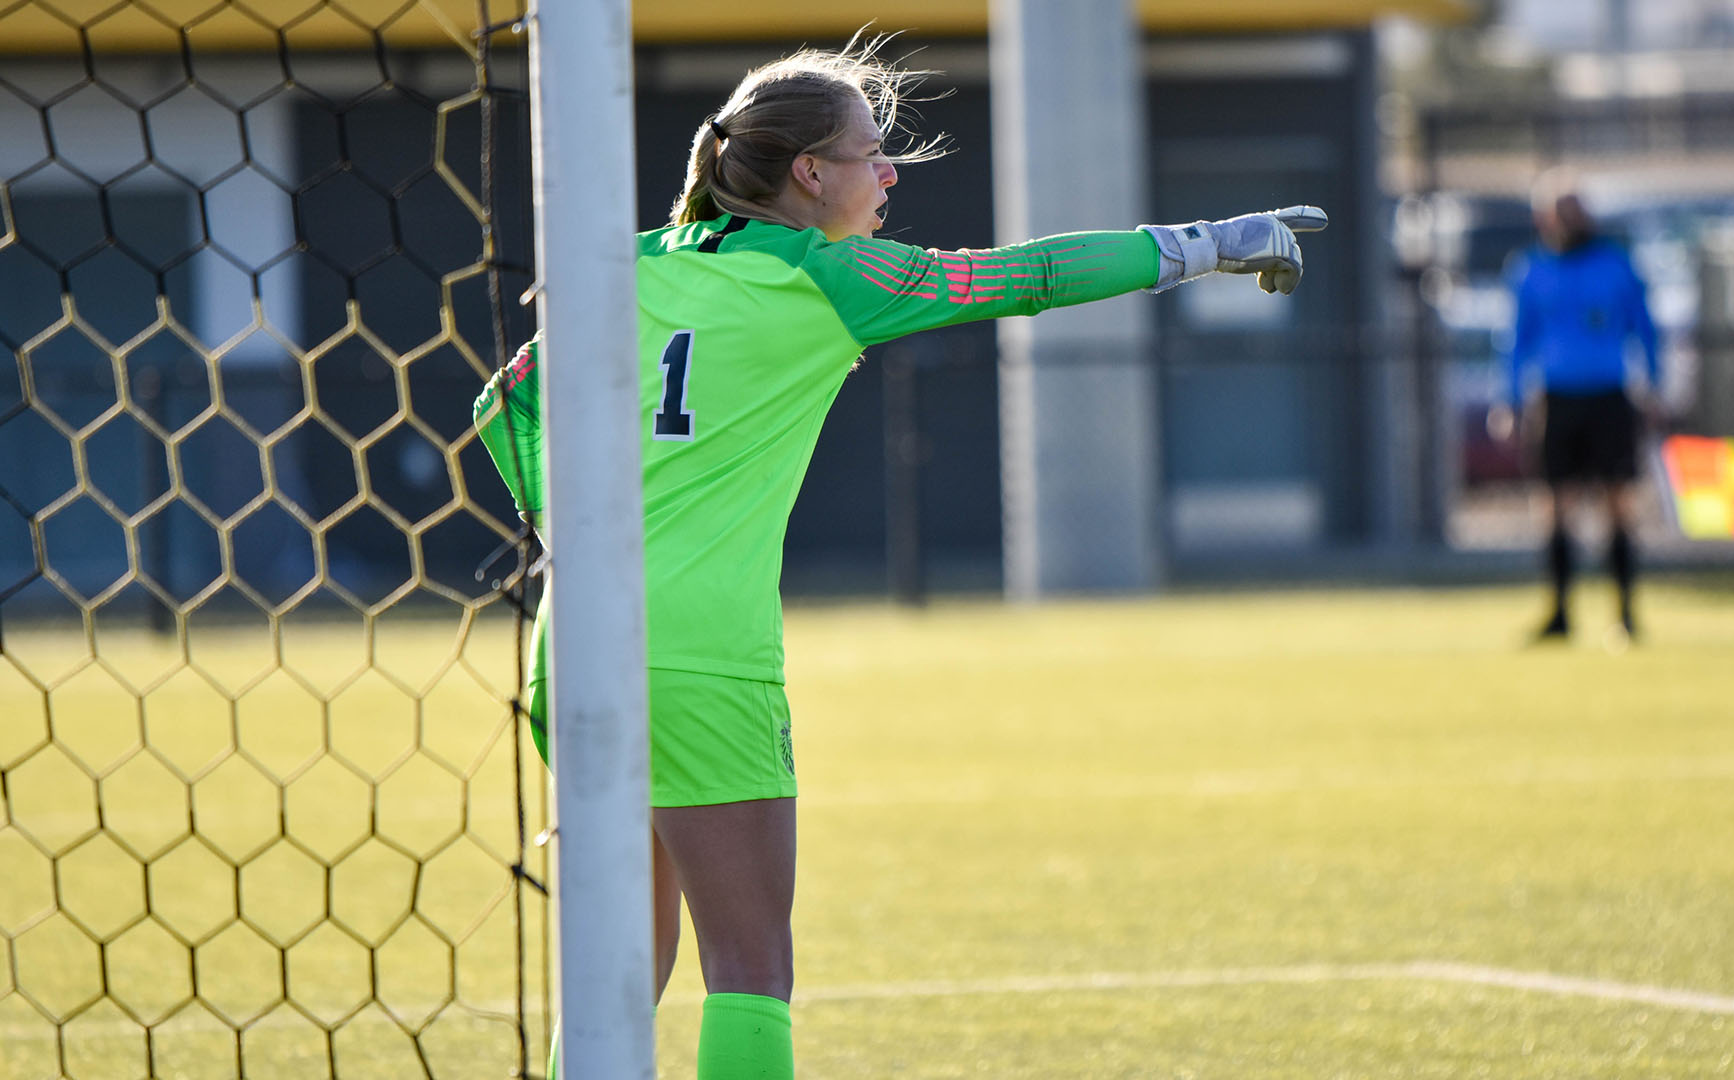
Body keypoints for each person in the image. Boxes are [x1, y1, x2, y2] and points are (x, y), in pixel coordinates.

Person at [471, 35, 1326, 1080]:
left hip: (575, 640)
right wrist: (1208, 243)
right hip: (703, 650)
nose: (889, 175)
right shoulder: (830, 275)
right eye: (874, 154)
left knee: (620, 967)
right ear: (808, 174)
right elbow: (1029, 277)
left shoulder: (626, 263)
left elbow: (499, 408)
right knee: (749, 965)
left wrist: (586, 540)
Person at [1490, 171, 1661, 642]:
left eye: (1575, 208)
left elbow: (1645, 327)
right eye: (1558, 209)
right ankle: (1560, 614)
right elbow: (1515, 342)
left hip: (1608, 395)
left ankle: (1626, 615)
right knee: (1555, 507)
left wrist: (1654, 383)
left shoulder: (1614, 265)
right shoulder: (1531, 270)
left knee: (1619, 505)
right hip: (1557, 400)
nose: (1568, 218)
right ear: (1543, 217)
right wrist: (1508, 399)